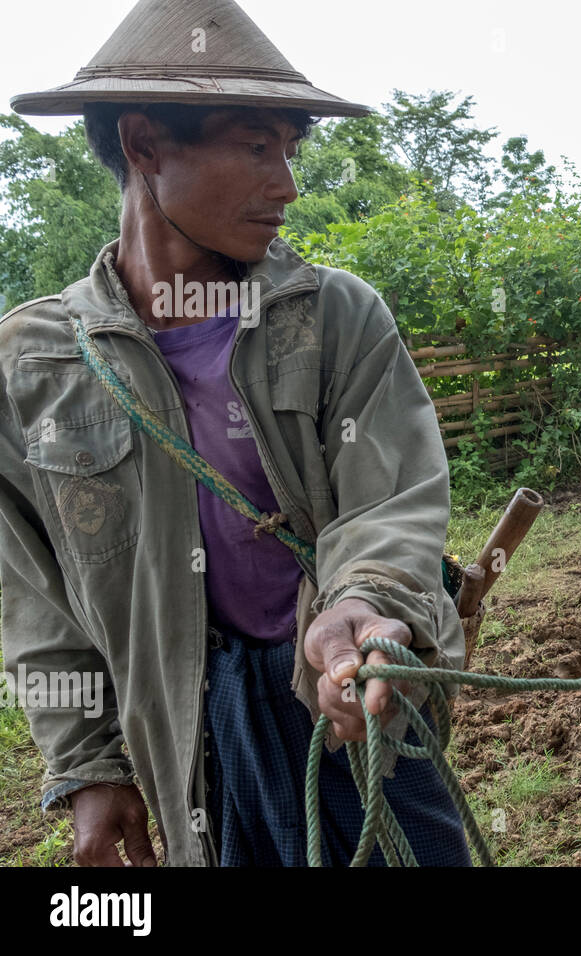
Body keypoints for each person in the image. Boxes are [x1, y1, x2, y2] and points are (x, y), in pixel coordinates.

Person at [1, 0, 471, 866]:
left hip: (337, 697)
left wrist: (363, 603)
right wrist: (88, 768)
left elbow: (392, 495)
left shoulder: (334, 317)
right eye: (258, 147)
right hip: (185, 735)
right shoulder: (35, 364)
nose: (287, 185)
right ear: (144, 143)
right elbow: (34, 594)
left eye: (290, 151)